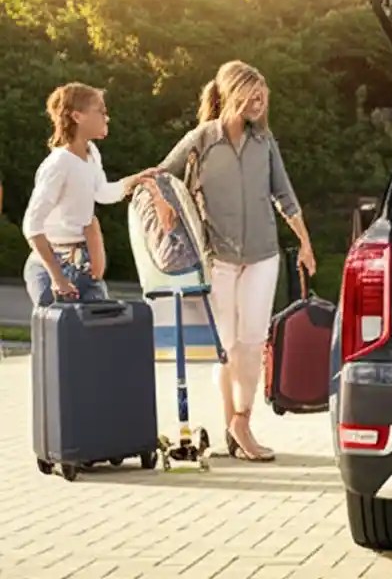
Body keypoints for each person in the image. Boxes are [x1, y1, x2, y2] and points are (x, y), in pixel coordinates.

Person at [157, 60, 315, 463]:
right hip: (218, 259)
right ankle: (235, 428)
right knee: (225, 347)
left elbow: (286, 195)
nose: (260, 103)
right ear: (232, 94)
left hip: (262, 255)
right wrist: (162, 202)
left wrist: (306, 244)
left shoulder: (264, 141)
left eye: (264, 97)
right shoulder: (201, 139)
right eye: (253, 95)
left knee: (252, 342)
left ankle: (242, 422)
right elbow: (160, 176)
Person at [22, 83, 155, 307]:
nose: (107, 117)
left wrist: (136, 179)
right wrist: (58, 279)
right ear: (77, 116)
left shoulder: (91, 153)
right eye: (100, 111)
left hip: (82, 263)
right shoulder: (59, 164)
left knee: (97, 333)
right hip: (51, 267)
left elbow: (102, 193)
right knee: (61, 338)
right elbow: (31, 227)